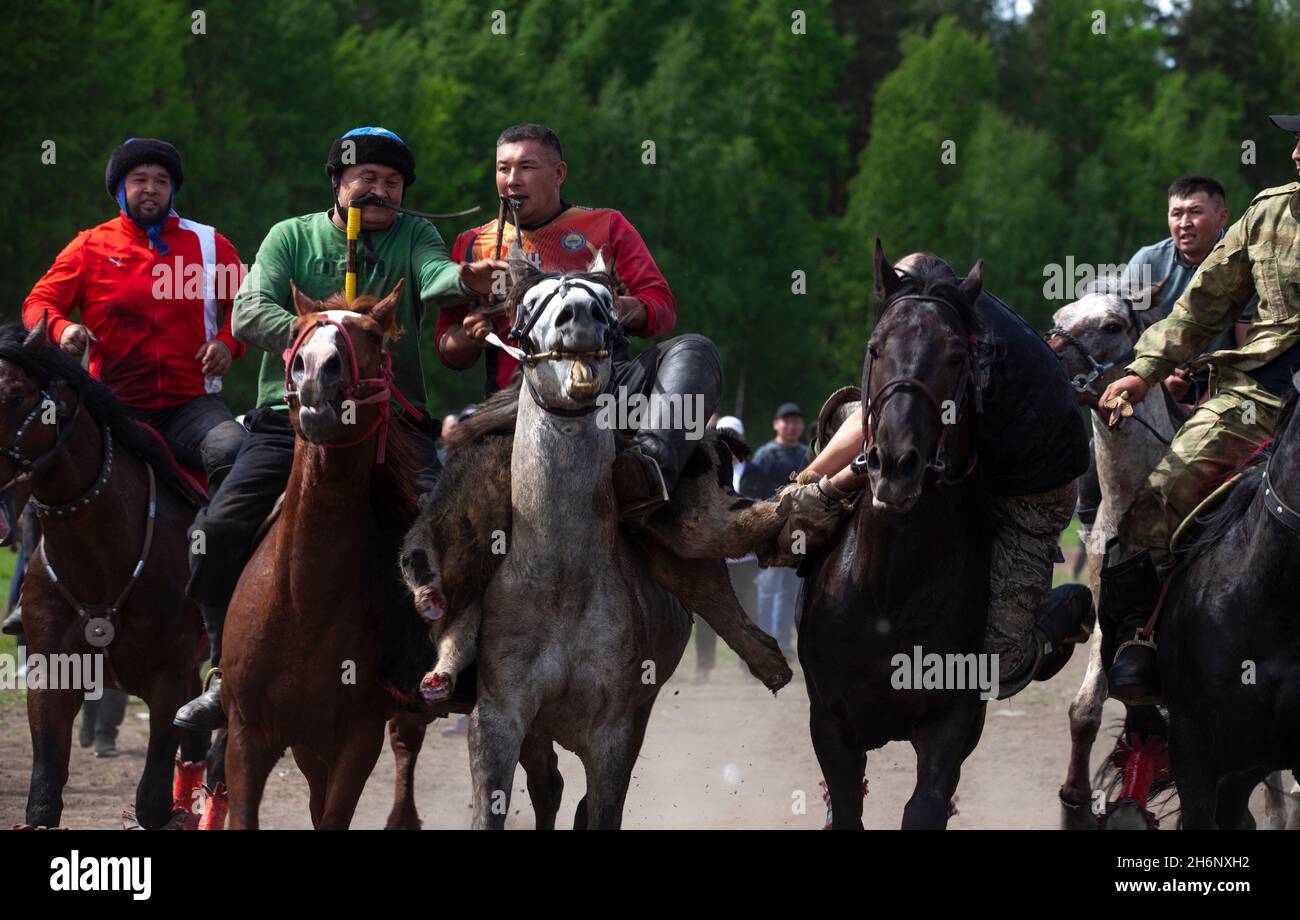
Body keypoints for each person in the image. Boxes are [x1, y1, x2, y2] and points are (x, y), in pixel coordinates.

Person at [174, 126, 501, 730]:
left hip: (394, 422)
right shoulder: (290, 235)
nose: (381, 190)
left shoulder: (415, 234)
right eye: (368, 179)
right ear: (338, 182)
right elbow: (247, 312)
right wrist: (324, 337)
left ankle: (431, 671)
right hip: (292, 419)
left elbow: (432, 276)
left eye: (393, 182)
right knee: (217, 529)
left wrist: (468, 279)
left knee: (450, 537)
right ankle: (224, 673)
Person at [791, 252, 1093, 698]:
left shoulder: (955, 340)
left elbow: (887, 424)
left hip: (1032, 486)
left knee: (997, 665)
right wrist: (809, 483)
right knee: (849, 416)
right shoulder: (921, 316)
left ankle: (1063, 612)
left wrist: (809, 484)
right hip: (970, 450)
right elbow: (882, 412)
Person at [1096, 114, 1300, 704]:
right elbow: (1203, 304)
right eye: (1294, 143)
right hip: (1259, 397)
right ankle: (1142, 642)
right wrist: (1143, 371)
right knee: (1156, 499)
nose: (1294, 157)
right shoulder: (1267, 215)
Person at [436, 123, 719, 525]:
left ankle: (648, 469)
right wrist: (469, 334)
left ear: (559, 173)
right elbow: (447, 351)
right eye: (503, 169)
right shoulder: (472, 243)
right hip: (515, 402)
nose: (512, 180)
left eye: (526, 167)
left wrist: (608, 307)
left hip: (607, 392)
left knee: (697, 350)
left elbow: (662, 308)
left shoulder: (606, 225)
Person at [22, 137, 247, 490]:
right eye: (139, 179)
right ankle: (32, 548)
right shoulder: (89, 246)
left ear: (172, 190)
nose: (150, 189)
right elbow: (38, 304)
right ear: (119, 189)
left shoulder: (209, 243)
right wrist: (63, 330)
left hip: (192, 406)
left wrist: (226, 343)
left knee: (234, 449)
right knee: (50, 460)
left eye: (161, 181)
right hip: (111, 404)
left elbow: (247, 307)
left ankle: (218, 543)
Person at [1121, 175, 1255, 405]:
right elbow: (1123, 333)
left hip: (1225, 382)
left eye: (1195, 212)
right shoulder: (1146, 261)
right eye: (1176, 213)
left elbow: (1249, 351)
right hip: (1152, 377)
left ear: (1222, 217)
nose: (1184, 222)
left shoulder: (1243, 265)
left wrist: (1207, 403)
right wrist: (1157, 382)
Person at [741, 404, 812, 657]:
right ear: (776, 424)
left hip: (799, 531)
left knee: (790, 590)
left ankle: (783, 643)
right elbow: (755, 493)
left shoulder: (807, 454)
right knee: (767, 588)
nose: (791, 426)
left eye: (796, 421)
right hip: (771, 529)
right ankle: (766, 643)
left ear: (802, 427)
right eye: (786, 421)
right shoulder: (766, 454)